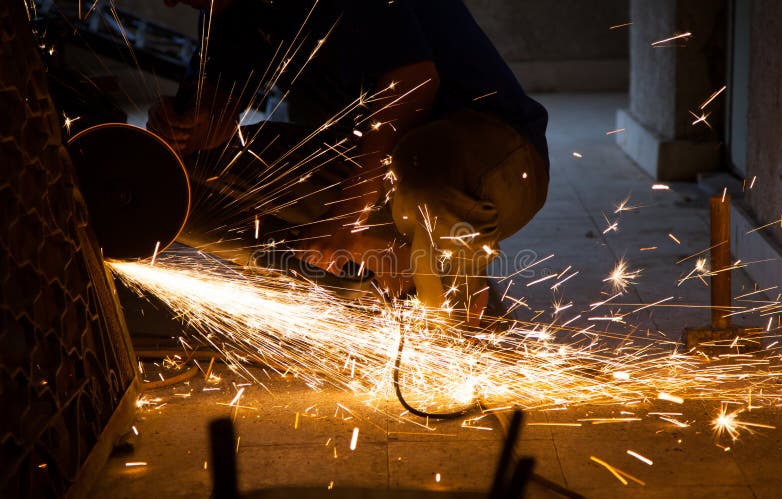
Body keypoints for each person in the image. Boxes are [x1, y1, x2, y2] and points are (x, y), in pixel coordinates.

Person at [148, 0, 550, 325]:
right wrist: (192, 124)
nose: (167, 3)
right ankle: (361, 281)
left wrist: (346, 219)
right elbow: (220, 104)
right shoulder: (227, 10)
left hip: (492, 162)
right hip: (380, 167)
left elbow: (411, 88)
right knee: (172, 177)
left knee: (420, 165)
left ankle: (457, 320)